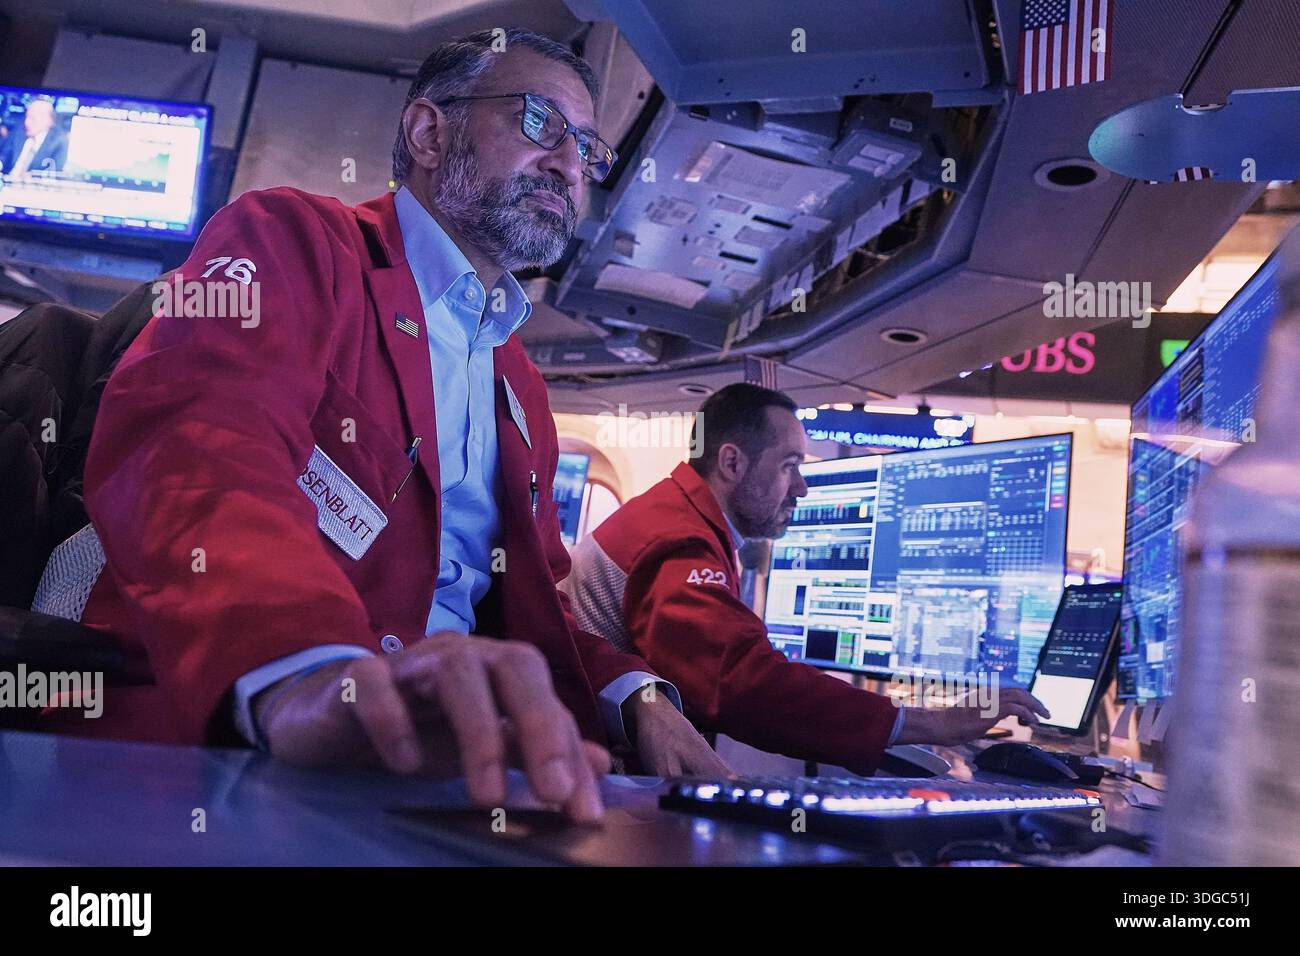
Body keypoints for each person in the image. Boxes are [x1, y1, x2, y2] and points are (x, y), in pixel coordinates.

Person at [39, 28, 726, 822]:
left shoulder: (522, 388)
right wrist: (306, 666)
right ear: (430, 133)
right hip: (238, 743)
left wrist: (638, 698)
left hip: (442, 767)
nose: (570, 165)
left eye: (587, 149)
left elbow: (535, 602)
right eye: (540, 123)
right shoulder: (294, 241)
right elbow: (201, 441)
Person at [562, 383, 1051, 776]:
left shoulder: (678, 517)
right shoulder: (677, 537)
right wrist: (930, 722)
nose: (802, 486)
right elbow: (739, 681)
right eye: (790, 465)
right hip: (594, 767)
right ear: (732, 462)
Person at [0, 99, 68, 176]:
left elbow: (55, 173)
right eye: (27, 117)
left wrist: (34, 176)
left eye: (33, 119)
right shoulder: (19, 129)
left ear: (47, 121)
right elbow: (4, 155)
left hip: (33, 186)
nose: (26, 122)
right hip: (7, 180)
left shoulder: (60, 141)